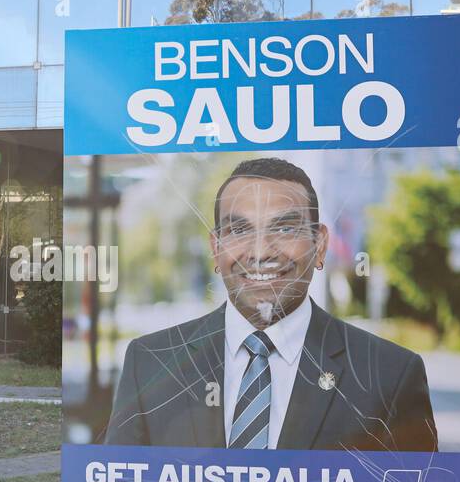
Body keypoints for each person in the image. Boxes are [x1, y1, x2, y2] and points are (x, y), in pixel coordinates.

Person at [104, 157, 438, 453]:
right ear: (216, 248)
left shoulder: (391, 376)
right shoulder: (149, 363)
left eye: (285, 227)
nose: (261, 251)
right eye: (239, 230)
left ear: (319, 245)